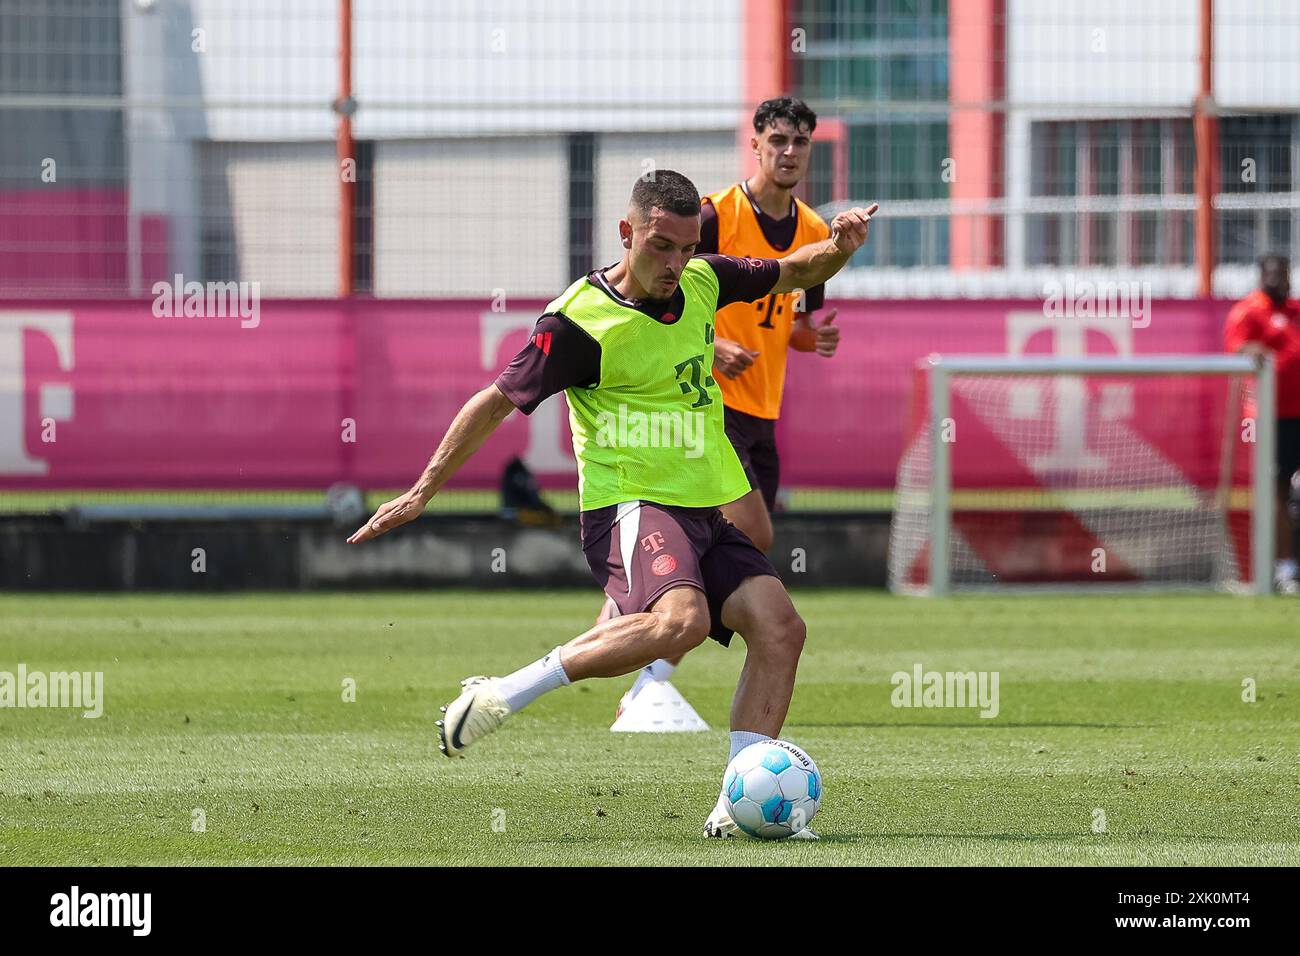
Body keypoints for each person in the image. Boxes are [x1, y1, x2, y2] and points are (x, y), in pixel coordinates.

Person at [347, 169, 878, 837]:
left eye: (687, 248)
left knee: (780, 630)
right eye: (661, 247)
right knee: (681, 622)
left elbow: (795, 270)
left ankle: (732, 808)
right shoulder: (579, 321)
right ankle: (503, 693)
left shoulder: (705, 281)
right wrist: (423, 490)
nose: (675, 263)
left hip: (700, 507)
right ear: (628, 233)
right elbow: (494, 401)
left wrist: (841, 245)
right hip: (628, 505)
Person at [617, 97, 842, 713]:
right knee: (753, 530)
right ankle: (649, 667)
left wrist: (805, 337)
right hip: (706, 405)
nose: (788, 151)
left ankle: (633, 624)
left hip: (762, 411)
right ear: (757, 144)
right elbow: (663, 305)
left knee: (728, 539)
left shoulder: (817, 233)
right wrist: (714, 350)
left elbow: (789, 311)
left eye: (800, 141)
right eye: (777, 140)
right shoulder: (715, 216)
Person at [1224, 254, 1300, 594]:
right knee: (1276, 490)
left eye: (1283, 273)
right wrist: (1248, 349)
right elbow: (1236, 348)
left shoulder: (1296, 310)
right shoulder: (1249, 311)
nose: (1279, 280)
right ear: (1262, 276)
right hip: (1272, 417)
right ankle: (1284, 569)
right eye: (1272, 274)